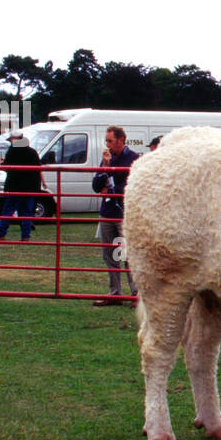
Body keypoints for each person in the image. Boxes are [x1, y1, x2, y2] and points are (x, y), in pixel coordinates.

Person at [92, 125, 139, 306]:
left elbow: (130, 185)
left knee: (127, 254)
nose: (107, 144)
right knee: (110, 255)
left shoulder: (133, 159)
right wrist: (105, 166)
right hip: (107, 212)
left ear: (120, 140)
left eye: (110, 141)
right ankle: (115, 293)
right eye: (106, 141)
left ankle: (135, 294)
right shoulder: (107, 159)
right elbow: (96, 185)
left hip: (124, 213)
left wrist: (111, 189)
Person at [0, 129, 42, 241]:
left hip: (15, 186)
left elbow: (6, 166)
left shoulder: (12, 151)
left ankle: (0, 234)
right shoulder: (32, 151)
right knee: (27, 212)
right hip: (30, 187)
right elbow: (38, 169)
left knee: (8, 210)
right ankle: (25, 236)